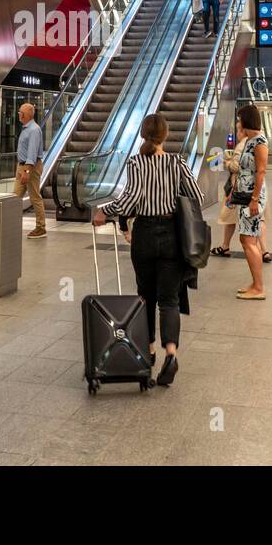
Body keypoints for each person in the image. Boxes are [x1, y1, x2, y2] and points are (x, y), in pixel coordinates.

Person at [92, 113, 202, 387]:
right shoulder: (178, 163)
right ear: (165, 135)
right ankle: (172, 354)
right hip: (171, 238)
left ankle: (149, 350)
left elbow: (131, 199)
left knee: (146, 296)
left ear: (143, 135)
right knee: (170, 300)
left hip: (144, 236)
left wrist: (104, 211)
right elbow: (197, 197)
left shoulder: (136, 162)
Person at [210, 116, 272, 262]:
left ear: (243, 130)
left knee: (235, 223)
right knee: (257, 219)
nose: (236, 133)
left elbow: (238, 167)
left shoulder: (244, 144)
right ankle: (263, 251)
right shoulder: (259, 140)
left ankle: (254, 251)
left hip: (240, 190)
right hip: (257, 187)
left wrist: (224, 162)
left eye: (238, 129)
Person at [233, 104, 269, 300]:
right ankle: (255, 283)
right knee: (247, 239)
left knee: (248, 240)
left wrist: (254, 200)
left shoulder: (260, 142)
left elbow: (261, 172)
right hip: (245, 196)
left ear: (246, 120)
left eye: (240, 119)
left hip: (253, 198)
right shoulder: (249, 140)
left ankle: (259, 287)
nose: (238, 123)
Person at [13, 102, 47, 238]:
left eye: (20, 112)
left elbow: (32, 154)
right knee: (14, 198)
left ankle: (41, 227)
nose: (18, 114)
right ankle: (12, 224)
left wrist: (27, 171)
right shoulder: (26, 128)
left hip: (30, 168)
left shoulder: (34, 129)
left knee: (35, 197)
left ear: (26, 114)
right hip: (21, 166)